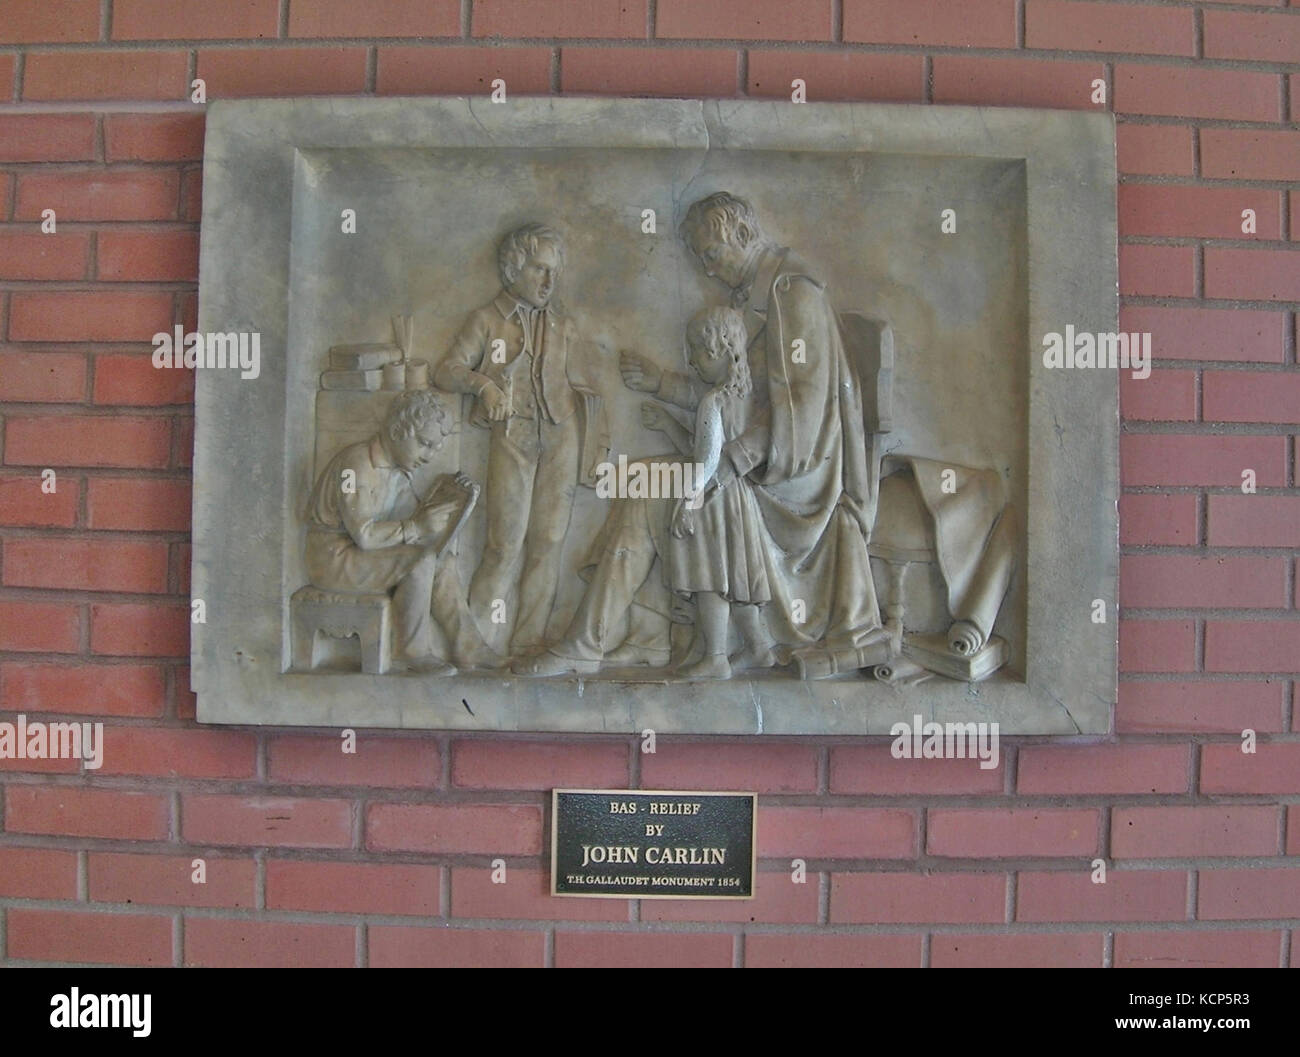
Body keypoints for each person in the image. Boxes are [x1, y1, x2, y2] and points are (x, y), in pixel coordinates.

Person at [523, 191, 890, 679]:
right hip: (759, 460)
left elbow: (805, 406)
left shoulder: (794, 294)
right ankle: (637, 637)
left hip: (794, 477)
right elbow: (732, 391)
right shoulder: (753, 299)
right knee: (646, 481)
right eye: (700, 260)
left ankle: (596, 641)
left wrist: (730, 463)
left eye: (712, 255)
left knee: (660, 491)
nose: (708, 270)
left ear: (741, 234)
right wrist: (661, 384)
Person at [433, 223, 599, 657]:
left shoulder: (564, 326)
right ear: (513, 269)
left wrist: (596, 448)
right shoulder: (486, 320)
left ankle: (529, 641)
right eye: (540, 269)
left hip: (562, 437)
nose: (549, 282)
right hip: (512, 437)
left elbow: (587, 387)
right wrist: (483, 385)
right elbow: (446, 371)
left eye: (554, 273)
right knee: (504, 543)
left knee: (548, 543)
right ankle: (476, 641)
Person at [304, 389, 485, 674]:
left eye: (435, 448)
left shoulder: (398, 472)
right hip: (333, 557)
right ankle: (412, 652)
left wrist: (450, 501)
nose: (428, 456)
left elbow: (413, 526)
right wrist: (417, 527)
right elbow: (364, 534)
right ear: (399, 430)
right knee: (419, 561)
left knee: (442, 561)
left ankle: (469, 647)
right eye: (424, 444)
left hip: (363, 555)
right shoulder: (357, 464)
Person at [648, 306, 777, 678]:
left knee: (710, 579)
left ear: (725, 352)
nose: (693, 361)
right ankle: (759, 648)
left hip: (711, 502)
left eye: (700, 352)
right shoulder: (748, 399)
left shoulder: (713, 401)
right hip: (737, 500)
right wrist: (670, 426)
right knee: (735, 578)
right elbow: (712, 448)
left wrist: (687, 504)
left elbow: (704, 460)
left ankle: (716, 658)